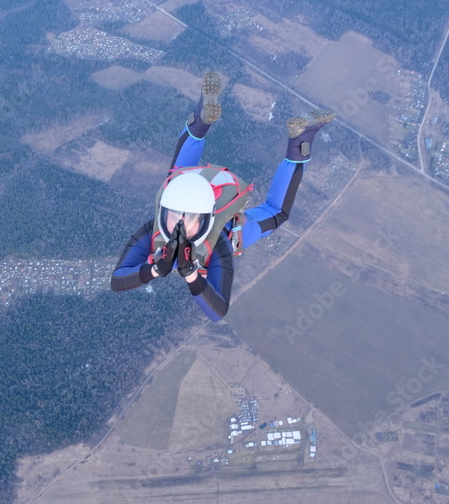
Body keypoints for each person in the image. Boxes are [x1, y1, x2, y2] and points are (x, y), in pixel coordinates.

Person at [110, 71, 333, 321]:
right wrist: (163, 270)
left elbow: (218, 311)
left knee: (276, 212)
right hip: (193, 192)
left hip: (214, 217)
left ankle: (299, 140)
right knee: (176, 177)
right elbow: (117, 282)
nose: (180, 225)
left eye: (187, 218)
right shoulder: (177, 234)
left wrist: (175, 272)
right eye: (174, 216)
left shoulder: (213, 244)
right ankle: (202, 121)